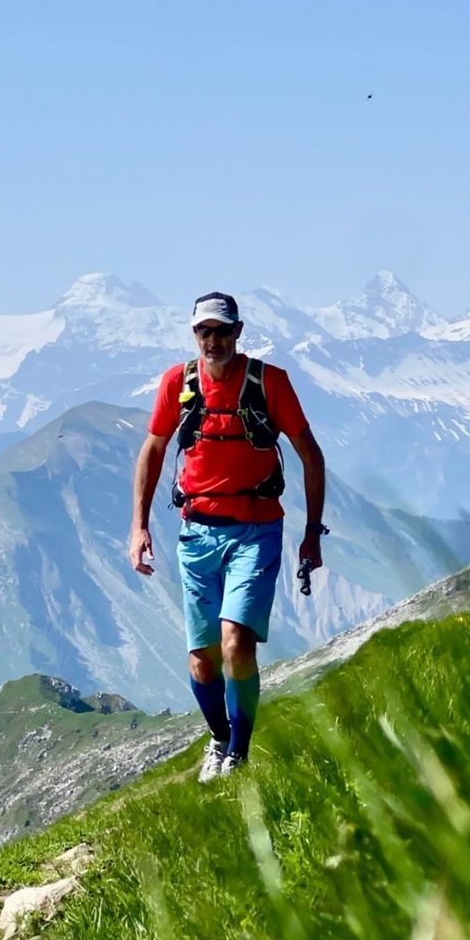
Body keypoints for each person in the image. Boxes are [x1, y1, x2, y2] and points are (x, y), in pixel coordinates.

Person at [129, 292, 326, 780]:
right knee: (202, 661)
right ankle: (219, 739)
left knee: (236, 641)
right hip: (195, 535)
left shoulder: (269, 382)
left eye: (222, 331)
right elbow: (153, 451)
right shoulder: (179, 382)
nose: (213, 340)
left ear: (239, 332)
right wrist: (138, 528)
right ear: (194, 334)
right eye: (204, 332)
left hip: (257, 530)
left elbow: (311, 455)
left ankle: (238, 754)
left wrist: (311, 534)